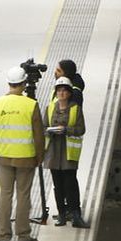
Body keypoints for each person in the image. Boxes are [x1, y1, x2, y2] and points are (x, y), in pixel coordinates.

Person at [0, 66, 46, 241]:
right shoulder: (31, 105)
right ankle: (23, 235)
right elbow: (38, 135)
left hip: (3, 157)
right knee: (23, 195)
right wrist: (40, 156)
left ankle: (3, 235)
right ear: (24, 84)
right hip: (26, 158)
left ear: (9, 83)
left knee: (5, 194)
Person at [45, 77, 89, 228]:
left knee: (70, 183)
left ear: (69, 93)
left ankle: (75, 214)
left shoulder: (75, 109)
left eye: (64, 90)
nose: (61, 93)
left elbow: (81, 129)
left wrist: (66, 130)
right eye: (59, 90)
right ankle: (62, 215)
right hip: (53, 152)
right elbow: (44, 127)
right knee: (58, 185)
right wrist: (49, 131)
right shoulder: (50, 108)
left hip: (69, 153)